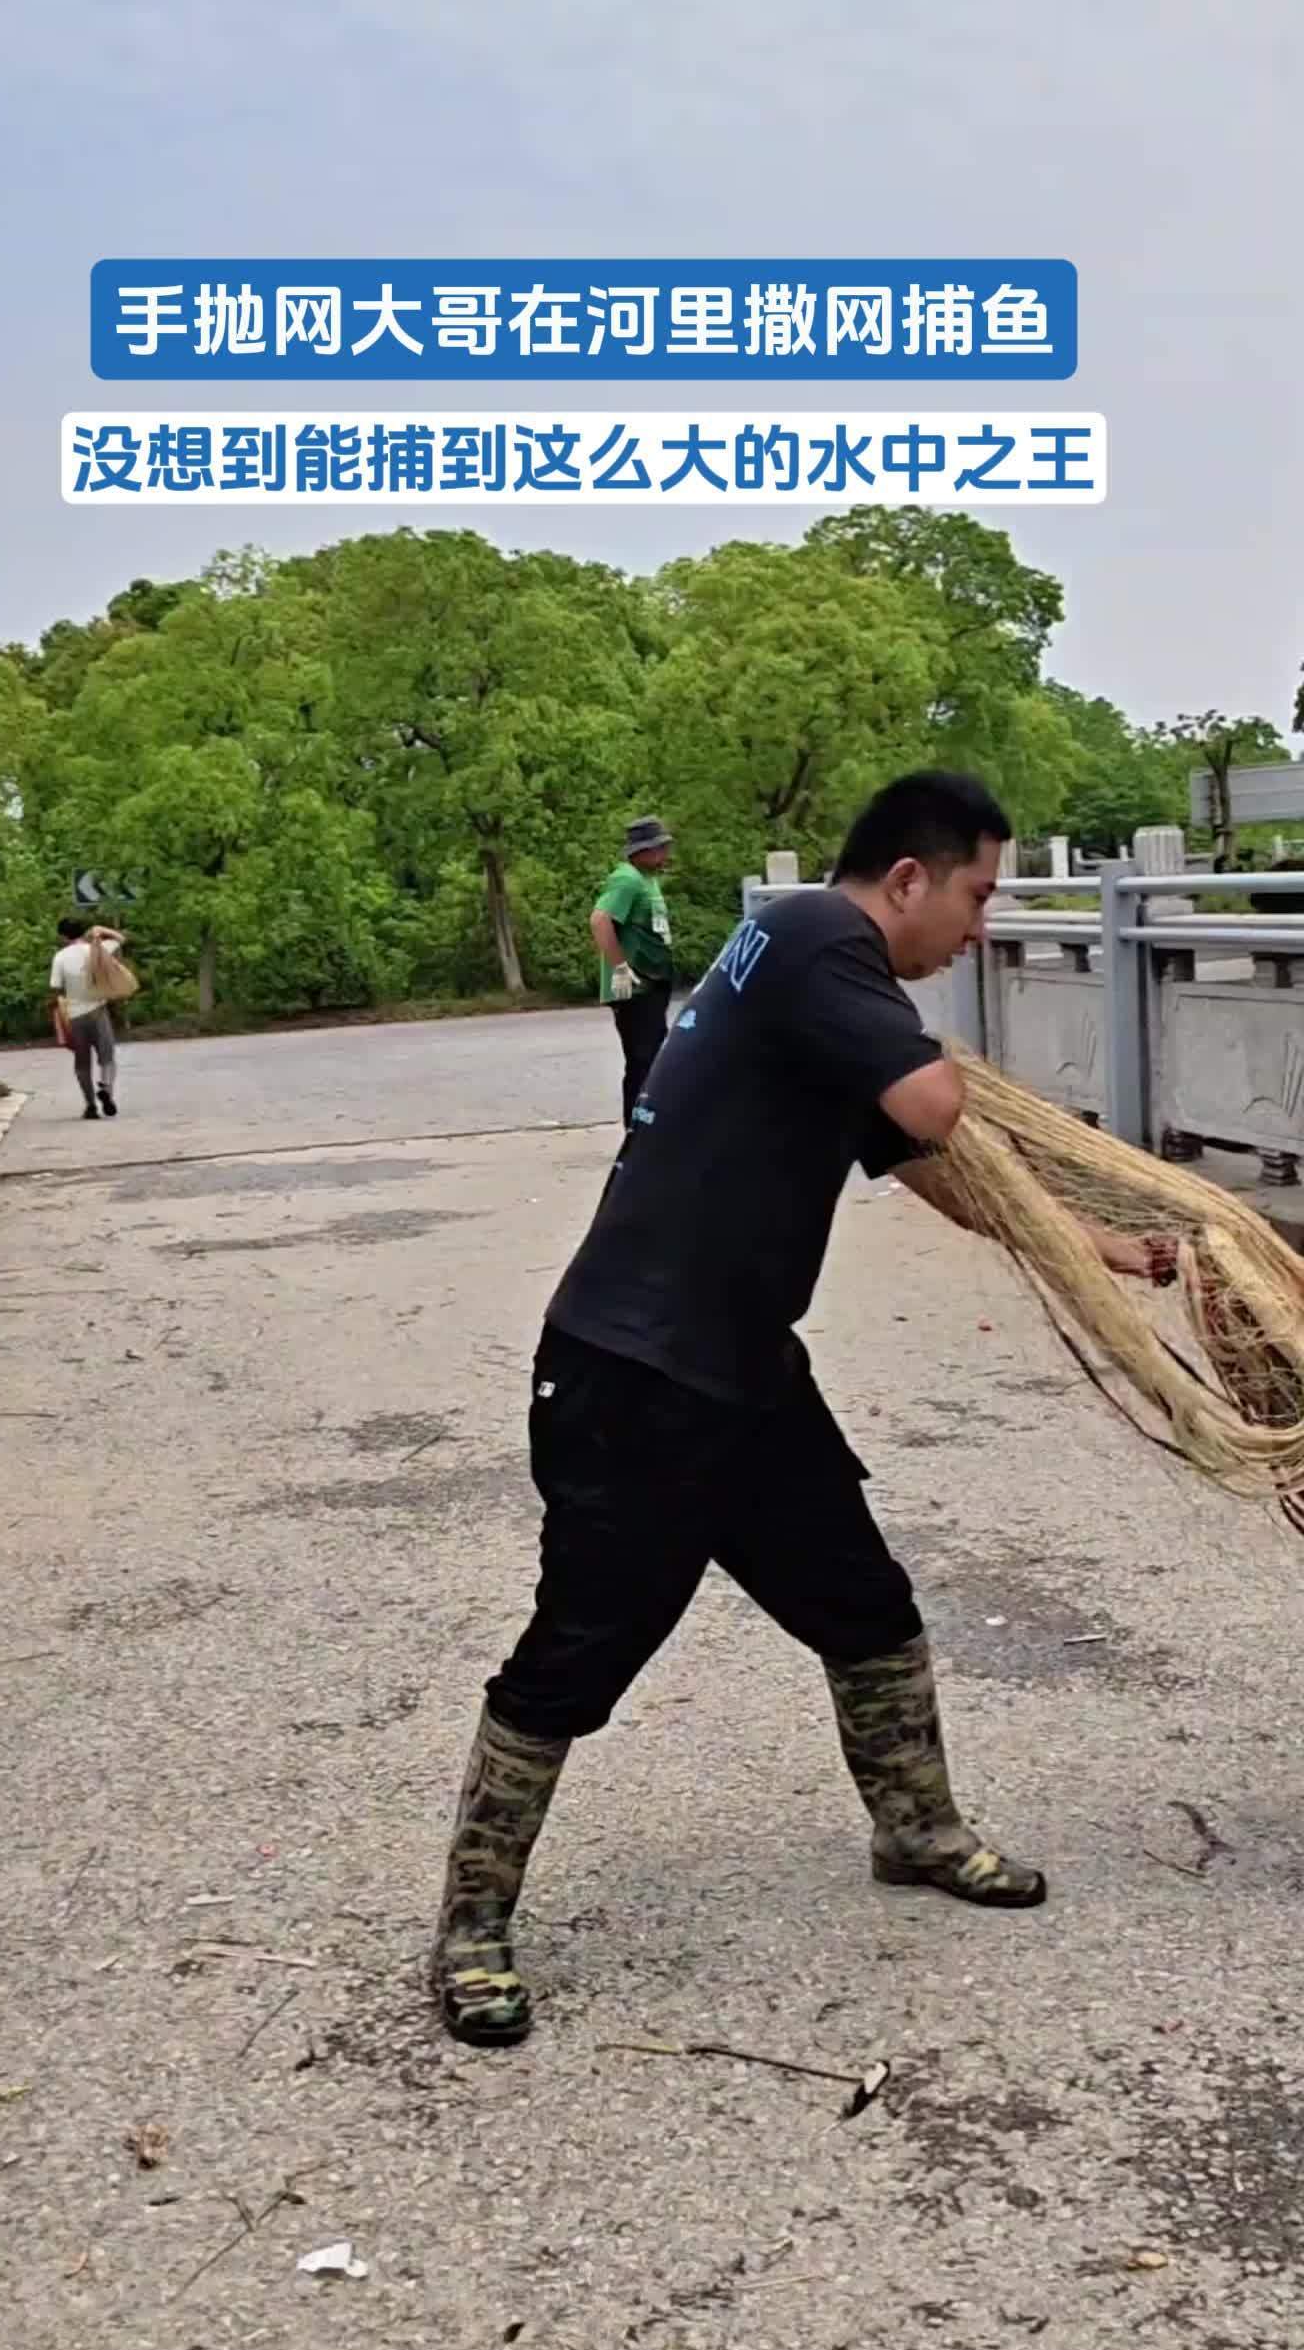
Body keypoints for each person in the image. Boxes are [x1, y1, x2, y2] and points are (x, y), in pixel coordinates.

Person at [430, 770, 1174, 2049]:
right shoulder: (825, 937)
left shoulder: (803, 964)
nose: (981, 928)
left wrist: (1099, 1246)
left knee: (865, 1607)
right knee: (579, 1651)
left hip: (744, 1370)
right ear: (908, 880)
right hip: (635, 1375)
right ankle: (470, 1925)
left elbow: (927, 1164)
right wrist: (962, 1080)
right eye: (977, 895)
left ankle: (916, 1828)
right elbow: (938, 1105)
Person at [590, 816, 674, 1127]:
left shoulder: (648, 880)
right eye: (661, 848)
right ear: (644, 851)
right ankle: (636, 1128)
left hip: (653, 983)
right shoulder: (626, 879)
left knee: (654, 1060)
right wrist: (620, 967)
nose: (665, 853)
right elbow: (600, 920)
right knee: (643, 1061)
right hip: (635, 986)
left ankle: (650, 1125)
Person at [50, 918, 125, 1120]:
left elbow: (56, 987)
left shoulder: (60, 957)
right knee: (107, 1058)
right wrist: (101, 929)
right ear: (83, 932)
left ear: (63, 936)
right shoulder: (97, 950)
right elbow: (120, 938)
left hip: (75, 1016)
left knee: (82, 1064)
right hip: (98, 1011)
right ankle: (106, 1089)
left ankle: (90, 1106)